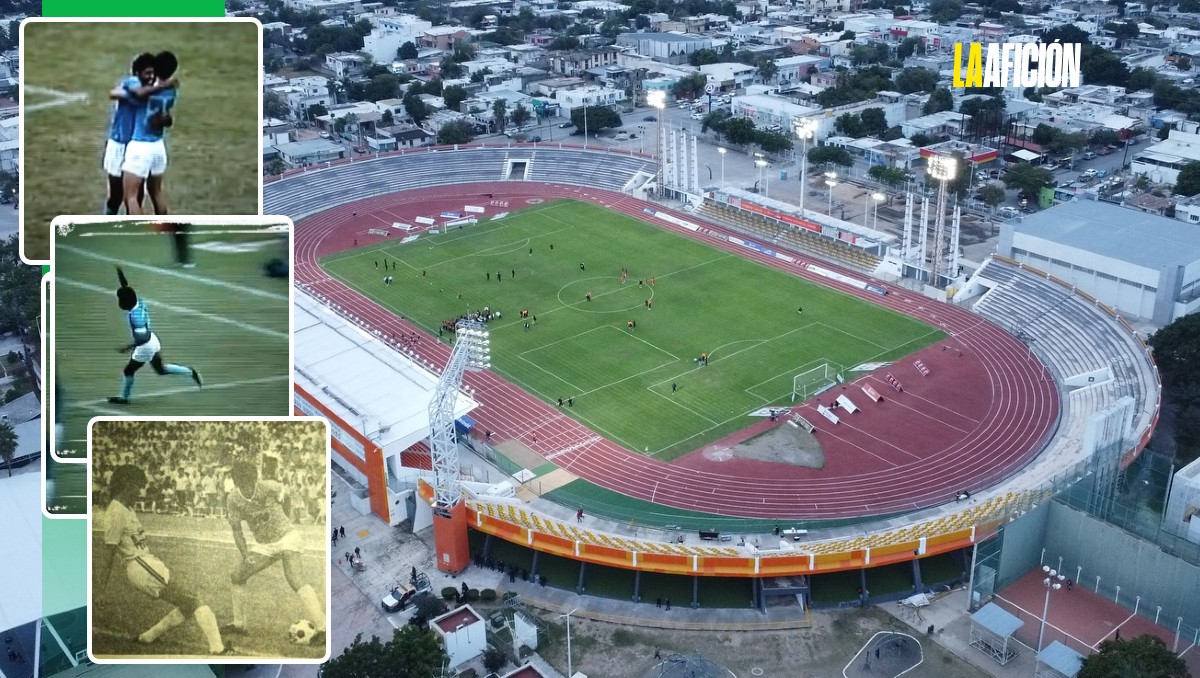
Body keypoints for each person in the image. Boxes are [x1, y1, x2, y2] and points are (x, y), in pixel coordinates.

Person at [95, 465, 235, 655]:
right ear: (127, 485)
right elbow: (108, 553)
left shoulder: (124, 508)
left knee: (188, 602)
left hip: (146, 563)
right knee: (194, 600)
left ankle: (148, 637)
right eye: (138, 486)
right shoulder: (116, 511)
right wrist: (100, 591)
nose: (140, 492)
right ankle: (218, 649)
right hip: (141, 566)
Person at [224, 460, 326, 644]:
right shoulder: (233, 499)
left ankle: (322, 627)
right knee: (237, 575)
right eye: (243, 484)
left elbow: (284, 494)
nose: (249, 487)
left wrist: (283, 510)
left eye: (251, 482)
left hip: (287, 536)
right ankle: (239, 624)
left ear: (255, 479)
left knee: (294, 578)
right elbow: (237, 530)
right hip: (264, 545)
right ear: (237, 482)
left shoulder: (268, 487)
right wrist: (246, 554)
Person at [107, 267, 202, 404]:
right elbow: (126, 288)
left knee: (129, 370)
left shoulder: (136, 317)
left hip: (145, 345)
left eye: (120, 300)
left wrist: (128, 347)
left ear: (126, 302)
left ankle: (124, 398)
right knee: (161, 370)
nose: (119, 303)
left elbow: (142, 338)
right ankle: (190, 372)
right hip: (153, 340)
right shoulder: (138, 302)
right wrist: (120, 274)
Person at [103, 53, 163, 214]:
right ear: (137, 74)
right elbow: (115, 93)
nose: (151, 77)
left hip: (138, 146)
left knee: (136, 195)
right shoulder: (133, 82)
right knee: (116, 194)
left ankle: (131, 228)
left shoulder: (154, 90)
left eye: (153, 73)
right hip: (120, 143)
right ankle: (108, 222)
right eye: (147, 73)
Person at [120, 51, 179, 215]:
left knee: (131, 197)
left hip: (140, 147)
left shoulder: (145, 89)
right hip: (158, 146)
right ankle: (165, 230)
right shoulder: (171, 91)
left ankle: (138, 235)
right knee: (157, 193)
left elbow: (127, 94)